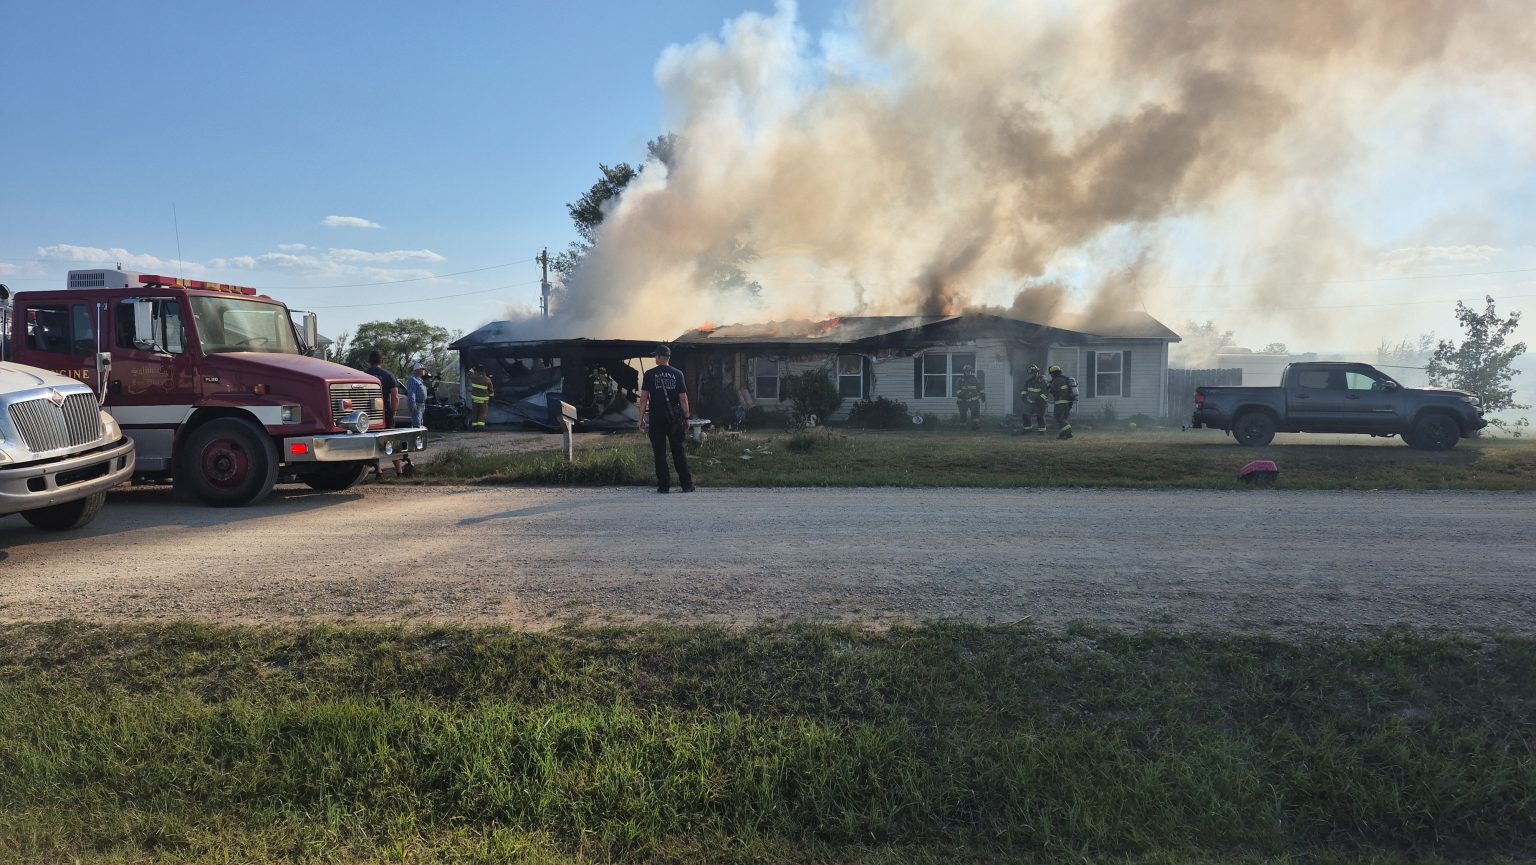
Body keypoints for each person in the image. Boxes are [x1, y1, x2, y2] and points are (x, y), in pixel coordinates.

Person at [636, 344, 694, 493]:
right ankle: (687, 485)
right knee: (678, 452)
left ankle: (664, 486)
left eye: (655, 355)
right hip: (674, 418)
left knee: (659, 453)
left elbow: (643, 399)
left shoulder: (649, 374)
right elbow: (683, 399)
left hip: (657, 418)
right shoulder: (678, 374)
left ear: (660, 357)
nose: (655, 358)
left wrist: (641, 419)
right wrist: (687, 418)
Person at [365, 350, 408, 476]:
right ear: (381, 361)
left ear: (370, 361)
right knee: (391, 440)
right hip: (385, 412)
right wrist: (394, 412)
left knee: (373, 442)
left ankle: (378, 470)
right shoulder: (389, 375)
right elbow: (395, 396)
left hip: (369, 414)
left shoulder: (364, 375)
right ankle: (399, 470)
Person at [1047, 364, 1079, 440]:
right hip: (1068, 403)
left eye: (1051, 374)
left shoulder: (1057, 380)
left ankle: (1069, 432)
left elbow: (1053, 390)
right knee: (1063, 419)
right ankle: (1063, 435)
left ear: (1054, 373)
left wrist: (1048, 387)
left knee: (1059, 418)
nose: (1051, 375)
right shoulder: (1064, 379)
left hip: (1060, 402)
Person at [1019, 364, 1050, 434]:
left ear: (1037, 373)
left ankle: (1042, 431)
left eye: (1033, 373)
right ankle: (1027, 429)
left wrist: (1039, 400)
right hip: (1031, 401)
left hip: (1041, 402)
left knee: (1040, 416)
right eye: (1030, 373)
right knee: (1025, 414)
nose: (1031, 375)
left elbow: (1045, 393)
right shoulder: (1028, 382)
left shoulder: (1042, 380)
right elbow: (1024, 390)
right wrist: (1024, 396)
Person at [955, 364, 985, 430]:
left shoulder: (975, 379)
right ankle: (962, 427)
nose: (968, 372)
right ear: (964, 372)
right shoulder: (960, 380)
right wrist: (962, 395)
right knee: (963, 414)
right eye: (966, 371)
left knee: (975, 414)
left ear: (971, 371)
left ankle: (975, 426)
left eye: (969, 371)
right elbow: (957, 390)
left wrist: (983, 395)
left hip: (973, 401)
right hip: (963, 401)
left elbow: (980, 387)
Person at [467, 365, 493, 430]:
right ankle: (480, 427)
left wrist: (473, 368)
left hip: (475, 399)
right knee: (482, 413)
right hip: (484, 400)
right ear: (484, 371)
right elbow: (491, 390)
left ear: (477, 370)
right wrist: (492, 397)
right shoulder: (487, 379)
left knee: (475, 412)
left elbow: (469, 373)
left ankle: (474, 427)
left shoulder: (474, 377)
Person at [406, 362, 429, 429]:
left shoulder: (420, 380)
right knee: (417, 424)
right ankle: (416, 438)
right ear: (417, 370)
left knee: (420, 424)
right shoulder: (412, 380)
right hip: (417, 405)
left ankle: (420, 437)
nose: (424, 371)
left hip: (421, 405)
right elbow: (411, 394)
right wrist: (413, 405)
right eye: (422, 369)